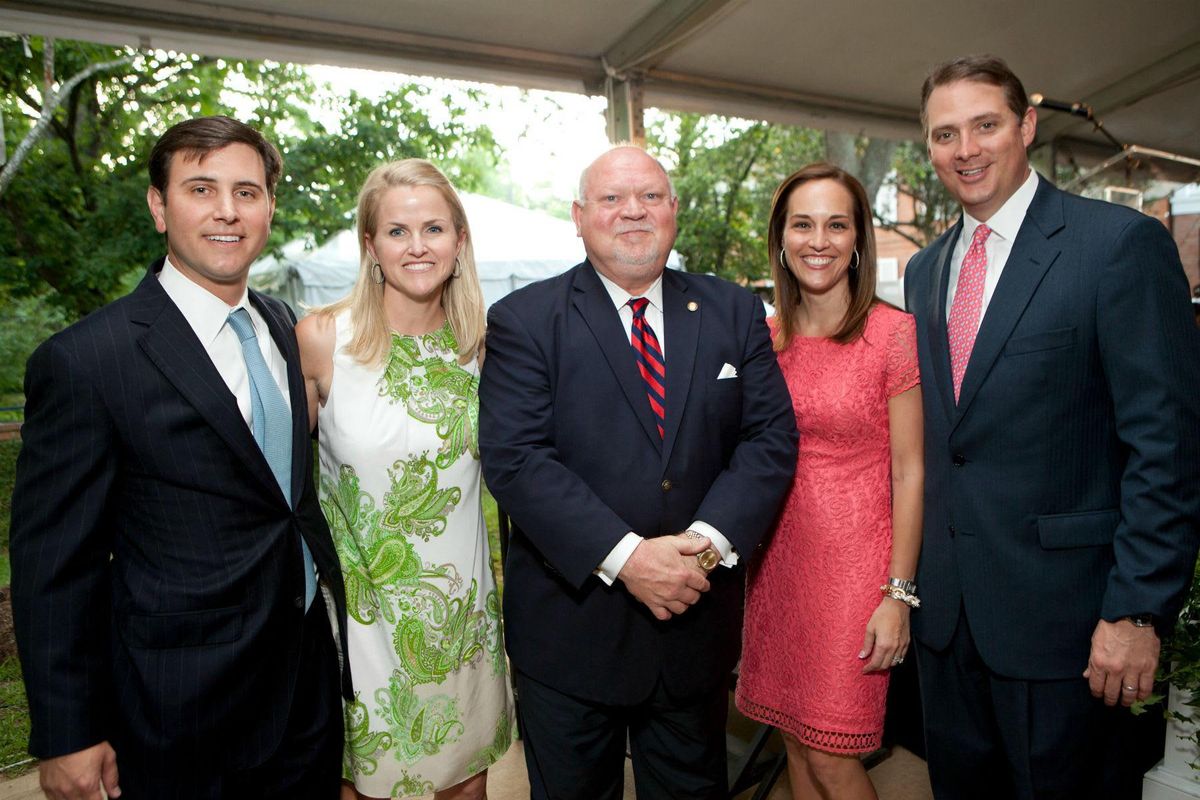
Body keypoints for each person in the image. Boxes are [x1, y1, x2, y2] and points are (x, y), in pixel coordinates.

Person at [9, 116, 351, 799]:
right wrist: (67, 731)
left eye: (247, 192)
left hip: (304, 687)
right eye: (201, 189)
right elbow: (55, 567)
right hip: (178, 710)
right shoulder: (86, 361)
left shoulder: (285, 326)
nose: (227, 210)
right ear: (159, 206)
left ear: (269, 208)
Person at [903, 54, 1200, 798]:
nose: (966, 149)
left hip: (1072, 627)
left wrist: (1138, 611)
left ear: (1027, 126)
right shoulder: (924, 270)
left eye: (985, 125)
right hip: (949, 626)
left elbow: (1166, 444)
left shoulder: (1117, 246)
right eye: (945, 134)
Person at [478, 145, 798, 799]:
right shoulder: (524, 319)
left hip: (693, 624)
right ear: (579, 217)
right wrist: (628, 559)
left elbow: (768, 440)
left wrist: (701, 549)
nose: (633, 211)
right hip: (571, 637)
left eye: (650, 196)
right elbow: (517, 459)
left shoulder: (733, 311)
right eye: (612, 198)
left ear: (673, 210)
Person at [296, 159, 514, 800]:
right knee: (368, 786)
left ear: (459, 240)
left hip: (462, 619)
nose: (417, 246)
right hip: (361, 623)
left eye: (434, 229)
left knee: (465, 788)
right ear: (371, 245)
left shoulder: (482, 347)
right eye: (397, 231)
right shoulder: (322, 339)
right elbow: (280, 487)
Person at [737, 163, 923, 799]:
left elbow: (911, 470)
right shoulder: (766, 340)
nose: (819, 241)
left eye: (836, 225)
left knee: (832, 751)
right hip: (777, 564)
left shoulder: (893, 335)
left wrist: (898, 594)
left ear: (858, 240)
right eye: (803, 225)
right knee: (794, 737)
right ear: (781, 240)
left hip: (856, 572)